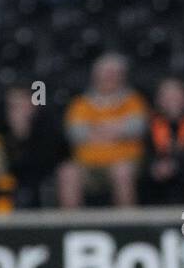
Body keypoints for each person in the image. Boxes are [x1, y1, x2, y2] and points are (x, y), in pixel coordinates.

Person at [58, 54, 150, 208]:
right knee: (67, 172)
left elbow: (137, 128)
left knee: (122, 172)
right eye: (105, 74)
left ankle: (127, 224)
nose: (109, 78)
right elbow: (76, 134)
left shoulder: (133, 101)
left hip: (124, 162)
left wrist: (96, 129)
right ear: (96, 76)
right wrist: (117, 129)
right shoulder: (81, 103)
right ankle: (70, 224)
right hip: (88, 164)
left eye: (114, 74)